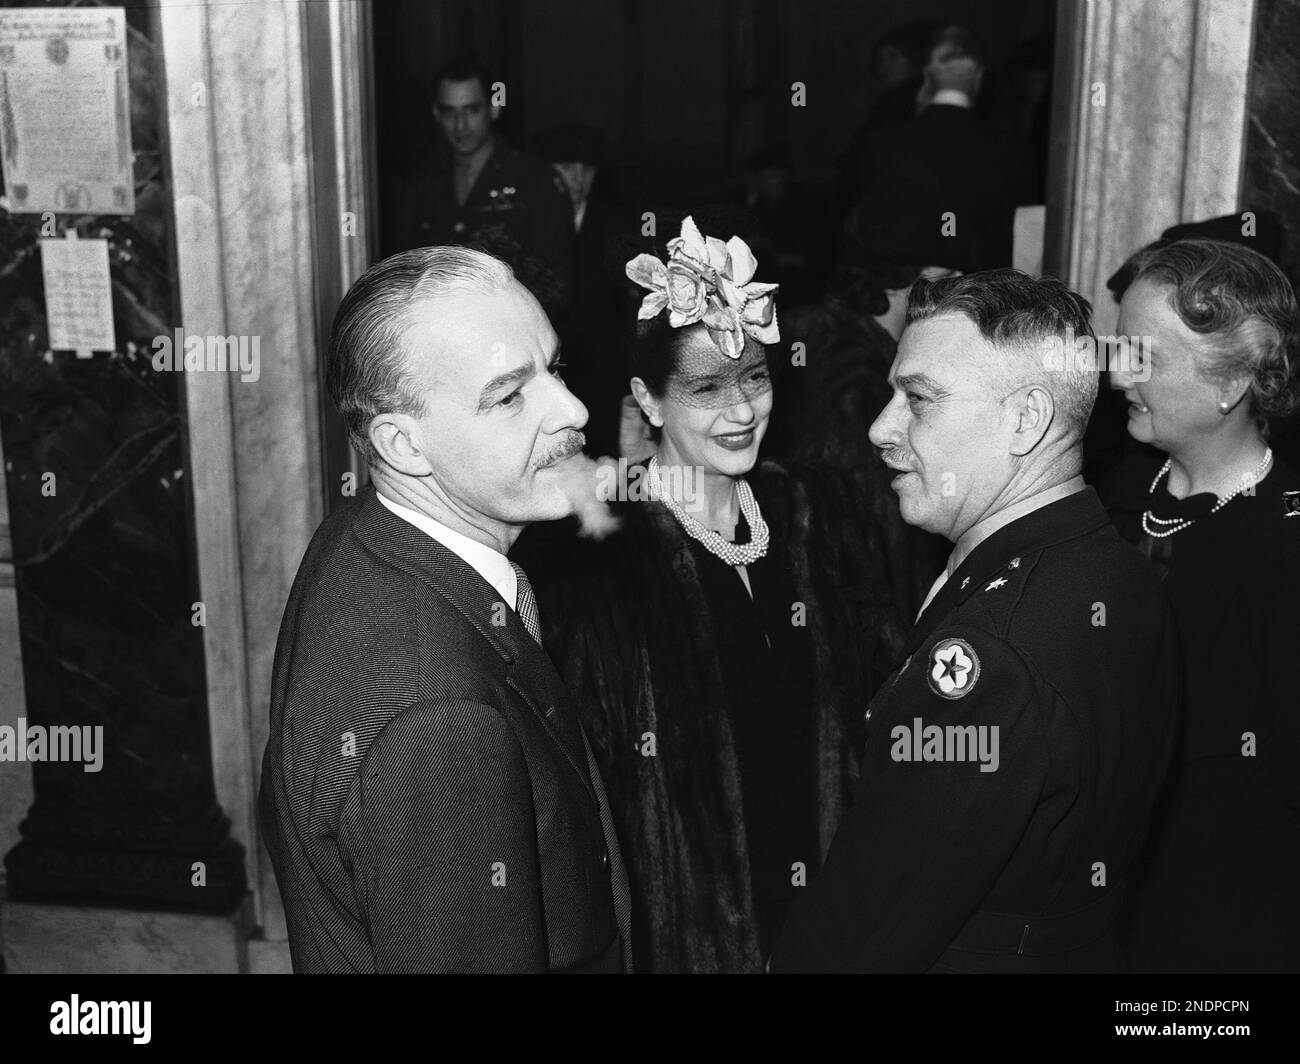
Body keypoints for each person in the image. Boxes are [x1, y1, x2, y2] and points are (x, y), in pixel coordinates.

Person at [512, 216, 915, 972]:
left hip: (826, 923)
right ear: (649, 399)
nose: (740, 411)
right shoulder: (590, 552)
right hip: (676, 945)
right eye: (706, 388)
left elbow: (881, 704)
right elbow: (569, 793)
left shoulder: (817, 510)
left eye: (755, 379)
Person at [770, 270, 1180, 973]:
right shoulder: (1118, 566)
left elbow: (876, 914)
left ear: (1027, 420)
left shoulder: (990, 655)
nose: (880, 427)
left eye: (919, 400)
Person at [259, 247, 631, 973]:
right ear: (402, 444)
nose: (575, 410)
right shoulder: (441, 722)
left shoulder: (361, 533)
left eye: (552, 369)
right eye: (508, 395)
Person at [1101, 238, 1300, 972]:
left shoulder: (1283, 550)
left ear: (1235, 379)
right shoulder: (1112, 494)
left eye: (1143, 355)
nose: (1118, 372)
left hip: (1218, 937)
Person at [382, 60, 575, 314]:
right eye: (450, 112)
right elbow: (404, 271)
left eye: (471, 110)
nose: (460, 126)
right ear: (436, 114)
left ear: (494, 109)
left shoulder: (533, 179)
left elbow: (558, 284)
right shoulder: (423, 183)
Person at [852, 24, 1039, 272]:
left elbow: (868, 230)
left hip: (904, 298)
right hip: (978, 298)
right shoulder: (1016, 152)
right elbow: (1020, 244)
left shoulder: (883, 141)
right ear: (979, 76)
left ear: (927, 73)